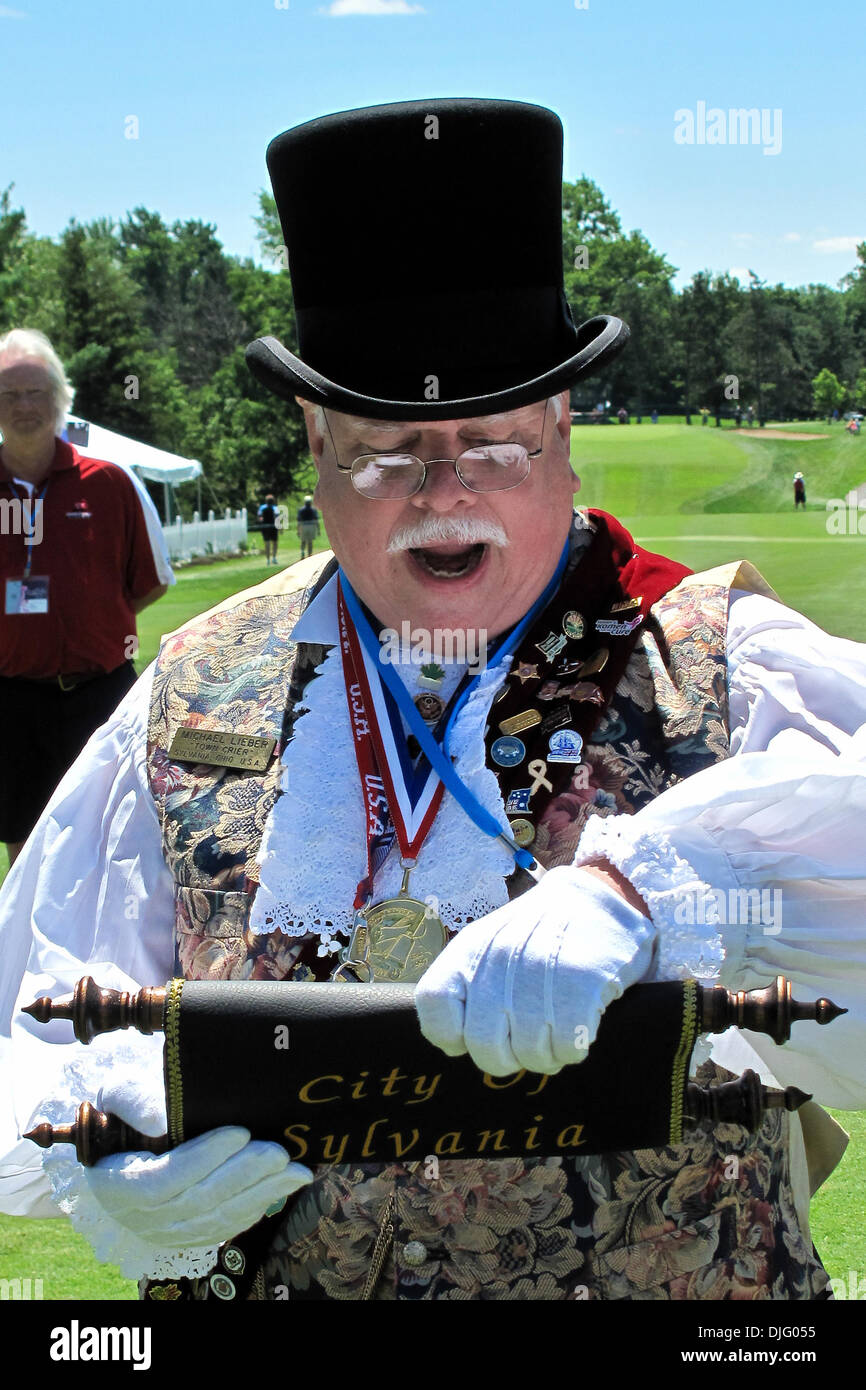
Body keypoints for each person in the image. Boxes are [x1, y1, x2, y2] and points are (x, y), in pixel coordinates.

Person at [1, 99, 864, 1304]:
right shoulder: (191, 685)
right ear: (310, 439)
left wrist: (672, 886)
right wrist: (103, 1149)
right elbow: (33, 1021)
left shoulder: (722, 661)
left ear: (564, 427)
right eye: (382, 451)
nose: (440, 493)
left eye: (494, 444)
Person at [0, 329, 168, 867]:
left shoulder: (109, 482)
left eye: (35, 392)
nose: (24, 405)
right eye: (8, 394)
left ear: (60, 399)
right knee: (24, 845)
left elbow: (150, 581)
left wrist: (88, 623)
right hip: (11, 702)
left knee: (113, 842)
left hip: (100, 696)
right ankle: (23, 951)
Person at [257, 492, 279, 565]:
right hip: (273, 527)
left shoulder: (262, 508)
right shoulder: (275, 508)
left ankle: (268, 559)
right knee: (274, 543)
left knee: (267, 543)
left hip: (266, 527)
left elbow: (260, 517)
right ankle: (274, 558)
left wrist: (262, 524)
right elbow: (277, 518)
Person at [296, 493, 320, 559]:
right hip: (311, 527)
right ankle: (309, 554)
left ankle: (303, 553)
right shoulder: (313, 510)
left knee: (304, 541)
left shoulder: (301, 510)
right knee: (309, 542)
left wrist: (298, 530)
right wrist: (318, 530)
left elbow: (299, 521)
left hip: (303, 527)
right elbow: (316, 520)